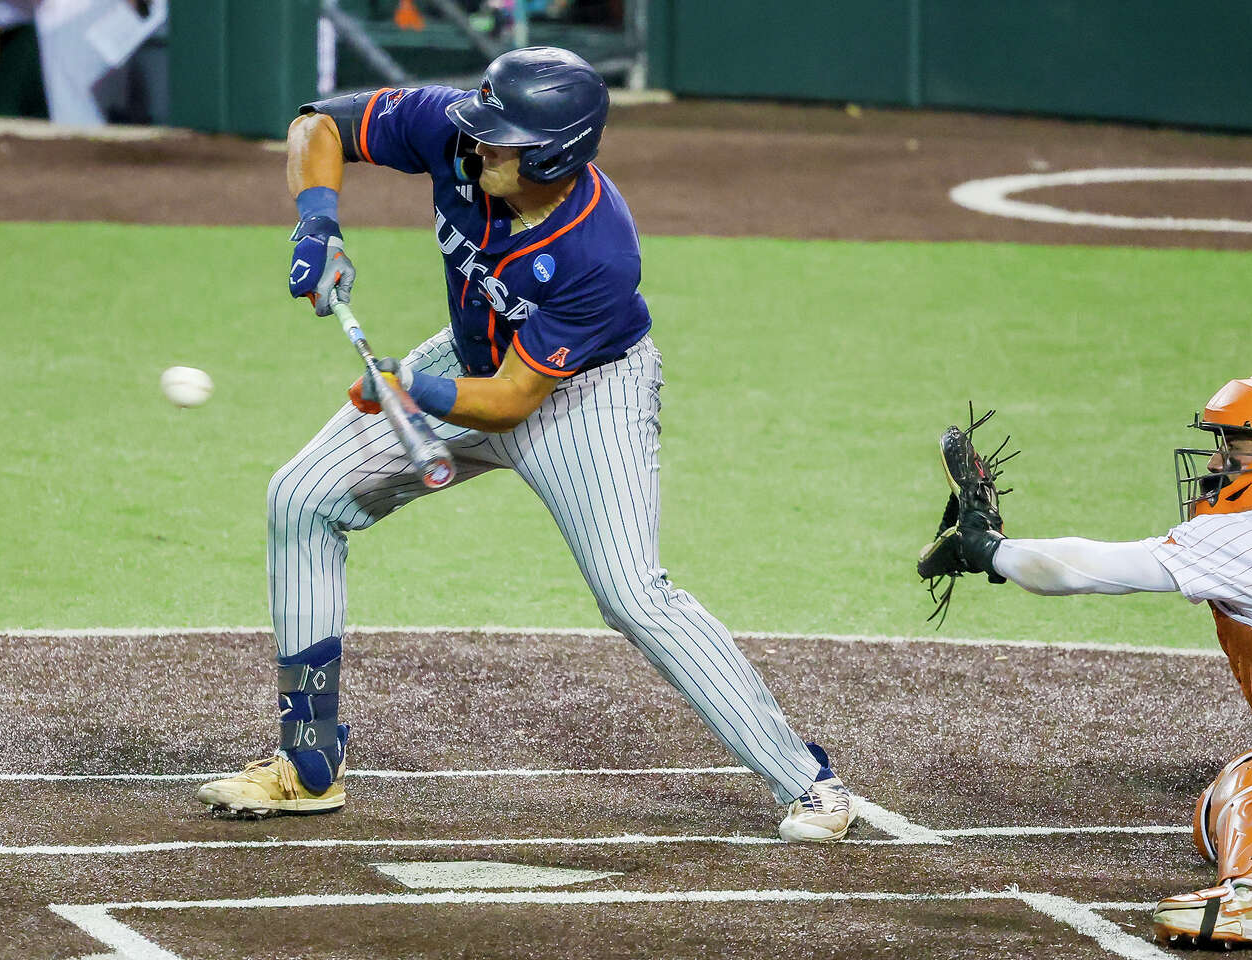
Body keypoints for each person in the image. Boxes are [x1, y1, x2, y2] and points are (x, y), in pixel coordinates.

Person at [195, 46, 856, 843]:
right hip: (468, 361)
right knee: (301, 498)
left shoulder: (597, 249)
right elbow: (316, 126)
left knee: (633, 595)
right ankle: (307, 766)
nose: (477, 147)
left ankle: (808, 781)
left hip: (584, 398)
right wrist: (318, 219)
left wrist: (411, 386)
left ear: (557, 152)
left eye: (501, 139)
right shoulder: (454, 131)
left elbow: (511, 402)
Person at [918, 374, 1252, 949]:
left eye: (1237, 443)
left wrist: (991, 549)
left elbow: (1089, 569)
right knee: (1225, 807)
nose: (1217, 458)